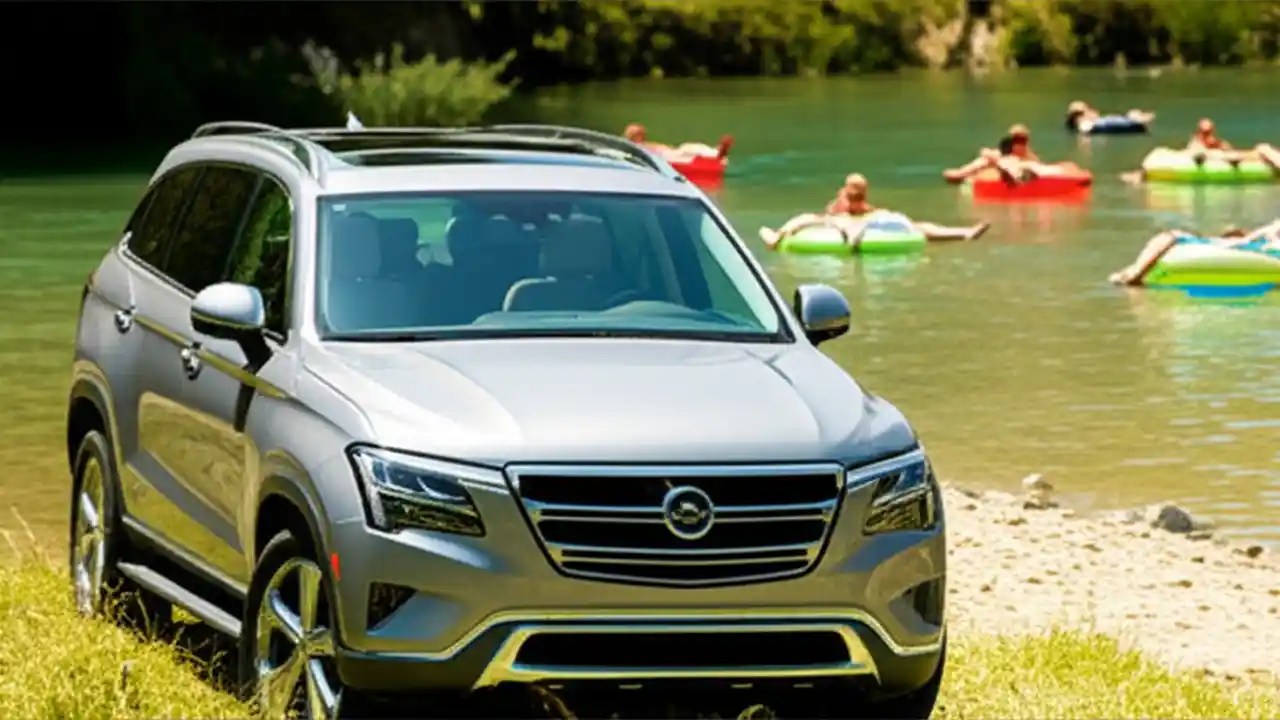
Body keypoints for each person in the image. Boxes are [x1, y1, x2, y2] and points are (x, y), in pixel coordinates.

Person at [758, 173, 990, 250]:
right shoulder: (840, 203)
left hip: (857, 224)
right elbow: (830, 215)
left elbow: (868, 213)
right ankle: (776, 238)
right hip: (840, 225)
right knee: (804, 218)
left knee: (917, 226)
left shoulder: (860, 206)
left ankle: (964, 233)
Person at [1109, 218, 1280, 286]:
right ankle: (1135, 272)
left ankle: (1135, 274)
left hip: (1260, 250)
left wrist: (1245, 239)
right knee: (1170, 237)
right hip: (1255, 246)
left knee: (1170, 236)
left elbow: (1265, 237)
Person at [1120, 119, 1280, 184]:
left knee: (1263, 148)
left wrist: (1226, 151)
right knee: (1263, 148)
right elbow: (1196, 155)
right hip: (1208, 159)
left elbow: (1231, 151)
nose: (1208, 135)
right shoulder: (1197, 145)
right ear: (1199, 132)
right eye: (1205, 132)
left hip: (1236, 158)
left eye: (1209, 131)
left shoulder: (1218, 143)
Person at [943, 124, 1082, 184]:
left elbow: (1040, 166)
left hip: (1023, 170)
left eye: (1023, 140)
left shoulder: (1029, 156)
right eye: (1018, 140)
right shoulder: (997, 155)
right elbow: (950, 175)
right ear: (1011, 142)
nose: (1021, 144)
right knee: (990, 159)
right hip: (1003, 170)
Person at [622, 123, 733, 160]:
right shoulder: (637, 147)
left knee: (691, 146)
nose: (644, 135)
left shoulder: (640, 145)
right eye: (641, 133)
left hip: (670, 152)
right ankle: (716, 153)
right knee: (689, 149)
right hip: (669, 156)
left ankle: (716, 151)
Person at [1064, 100, 1155, 132]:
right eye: (1088, 109)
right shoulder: (1086, 123)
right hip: (1132, 124)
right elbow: (1086, 128)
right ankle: (1138, 119)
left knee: (1133, 113)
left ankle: (1137, 119)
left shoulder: (1093, 122)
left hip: (1132, 124)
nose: (1093, 110)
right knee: (1133, 114)